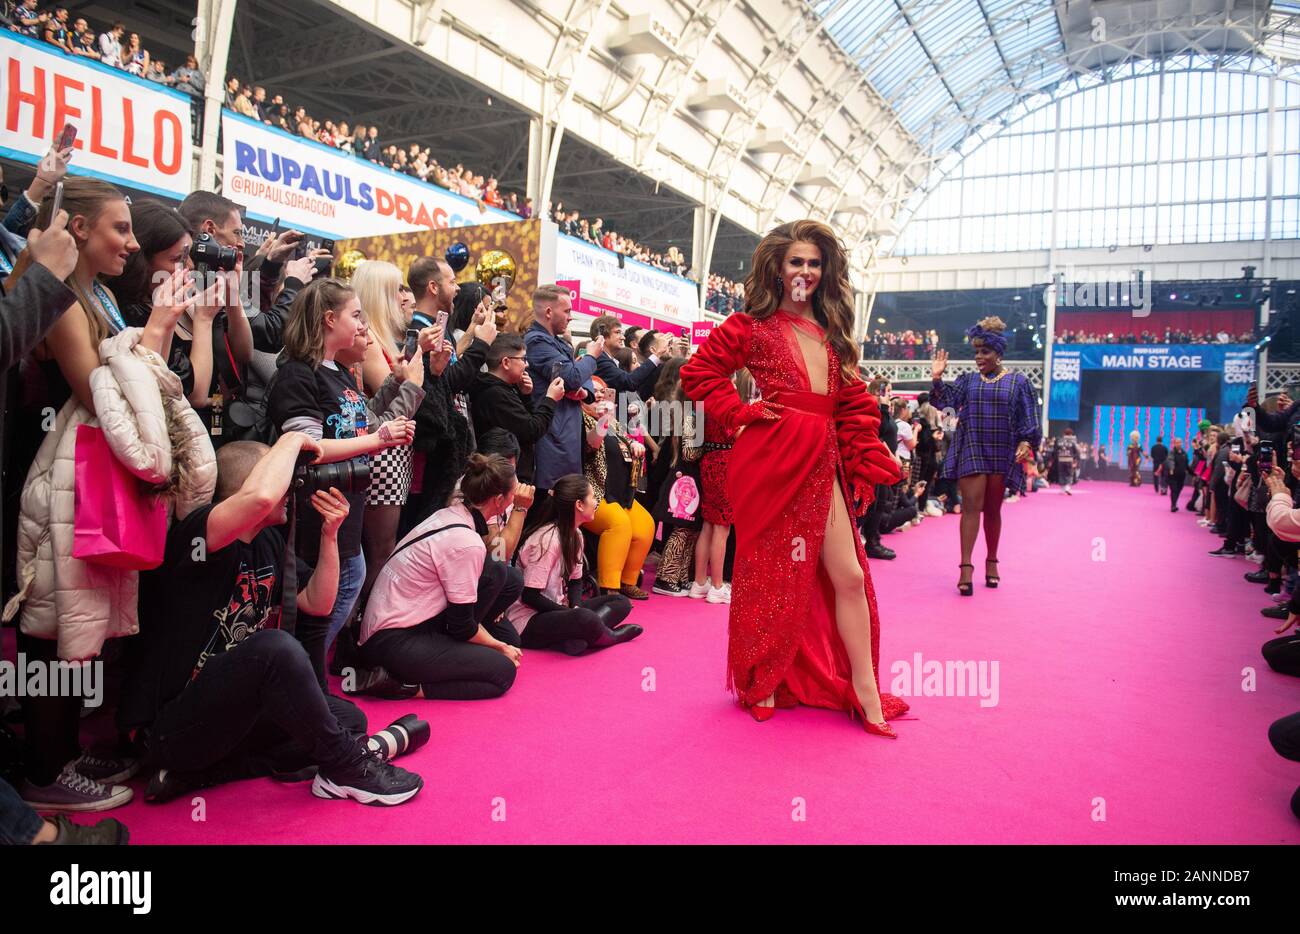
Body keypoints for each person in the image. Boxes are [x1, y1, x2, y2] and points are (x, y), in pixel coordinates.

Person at [8, 179, 217, 811]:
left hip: (84, 481)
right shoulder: (61, 302)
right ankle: (45, 771)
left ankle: (62, 754)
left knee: (78, 626)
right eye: (118, 229)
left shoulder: (94, 295)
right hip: (55, 483)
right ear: (76, 230)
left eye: (131, 230)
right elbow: (106, 398)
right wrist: (155, 330)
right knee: (51, 628)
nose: (130, 242)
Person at [680, 219, 907, 733]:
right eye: (796, 262)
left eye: (814, 262)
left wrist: (866, 456)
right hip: (772, 457)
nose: (805, 270)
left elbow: (852, 405)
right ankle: (763, 680)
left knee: (847, 574)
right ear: (778, 270)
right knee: (768, 572)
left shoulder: (833, 336)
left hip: (822, 456)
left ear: (824, 272)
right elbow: (699, 374)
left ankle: (864, 689)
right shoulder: (750, 326)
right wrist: (740, 412)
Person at [117, 435, 424, 806]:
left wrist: (330, 536)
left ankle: (208, 775)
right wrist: (291, 439)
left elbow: (317, 603)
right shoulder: (197, 536)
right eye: (286, 482)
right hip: (170, 729)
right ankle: (347, 768)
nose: (291, 491)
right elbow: (260, 497)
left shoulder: (270, 543)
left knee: (348, 719)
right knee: (273, 649)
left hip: (227, 715)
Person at [267, 278, 415, 684]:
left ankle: (304, 683)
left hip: (346, 505)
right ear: (329, 319)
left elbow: (357, 428)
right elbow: (307, 446)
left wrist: (395, 394)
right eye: (355, 315)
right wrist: (378, 438)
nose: (362, 324)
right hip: (315, 512)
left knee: (349, 584)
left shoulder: (339, 372)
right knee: (327, 599)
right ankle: (297, 683)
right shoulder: (298, 374)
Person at [359, 454, 525, 699]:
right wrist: (497, 645)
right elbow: (461, 625)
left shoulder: (450, 513)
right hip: (394, 641)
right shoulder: (466, 542)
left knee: (504, 574)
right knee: (502, 671)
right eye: (513, 494)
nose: (516, 498)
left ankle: (452, 655)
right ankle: (404, 687)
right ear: (499, 500)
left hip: (397, 626)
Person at [930, 316, 1041, 595]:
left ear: (998, 352)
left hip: (1002, 449)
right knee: (970, 508)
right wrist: (937, 377)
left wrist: (1026, 441)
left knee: (993, 510)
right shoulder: (967, 381)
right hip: (972, 447)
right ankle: (965, 567)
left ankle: (992, 562)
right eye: (976, 352)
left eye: (985, 352)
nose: (979, 357)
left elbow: (1028, 418)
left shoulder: (1018, 382)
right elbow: (945, 403)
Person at [510, 474, 642, 653]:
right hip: (529, 620)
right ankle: (608, 636)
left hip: (560, 609)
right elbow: (530, 596)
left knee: (621, 602)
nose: (596, 502)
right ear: (579, 505)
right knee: (583, 617)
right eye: (593, 497)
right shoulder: (547, 540)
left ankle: (577, 638)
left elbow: (575, 581)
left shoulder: (576, 535)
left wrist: (575, 606)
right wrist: (571, 614)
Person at [525, 284, 603, 491]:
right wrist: (591, 356)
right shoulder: (537, 342)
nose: (570, 317)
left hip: (567, 433)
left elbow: (579, 378)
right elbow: (572, 376)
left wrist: (584, 391)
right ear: (549, 312)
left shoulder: (559, 344)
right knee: (552, 507)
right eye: (567, 311)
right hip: (552, 436)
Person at [581, 376, 652, 599]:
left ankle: (627, 581)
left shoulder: (612, 421)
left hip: (621, 493)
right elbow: (591, 444)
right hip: (596, 493)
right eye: (594, 391)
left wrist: (635, 444)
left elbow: (625, 439)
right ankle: (609, 587)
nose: (600, 394)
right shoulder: (581, 418)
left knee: (645, 526)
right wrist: (603, 420)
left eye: (603, 391)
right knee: (619, 524)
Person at [469, 333, 564, 483]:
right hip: (504, 480)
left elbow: (527, 422)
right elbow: (532, 430)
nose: (527, 365)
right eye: (523, 359)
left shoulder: (503, 389)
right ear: (506, 362)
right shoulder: (495, 394)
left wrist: (526, 395)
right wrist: (551, 399)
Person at [1166, 436, 1188, 512]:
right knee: (1174, 490)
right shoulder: (1172, 452)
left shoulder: (1184, 453)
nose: (1179, 444)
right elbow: (1170, 460)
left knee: (1178, 490)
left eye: (1180, 442)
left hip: (1181, 476)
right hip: (1173, 475)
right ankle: (1173, 505)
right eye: (1177, 442)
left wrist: (1193, 473)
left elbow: (1186, 464)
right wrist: (1171, 469)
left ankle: (1174, 503)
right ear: (1174, 444)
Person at [1057, 428, 1080, 495]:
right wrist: (1075, 460)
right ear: (1071, 434)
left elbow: (1056, 450)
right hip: (1069, 460)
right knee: (1069, 474)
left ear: (1064, 433)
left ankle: (1062, 489)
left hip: (1061, 459)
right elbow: (1077, 451)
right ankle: (1067, 487)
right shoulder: (1073, 441)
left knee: (1062, 473)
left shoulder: (1059, 440)